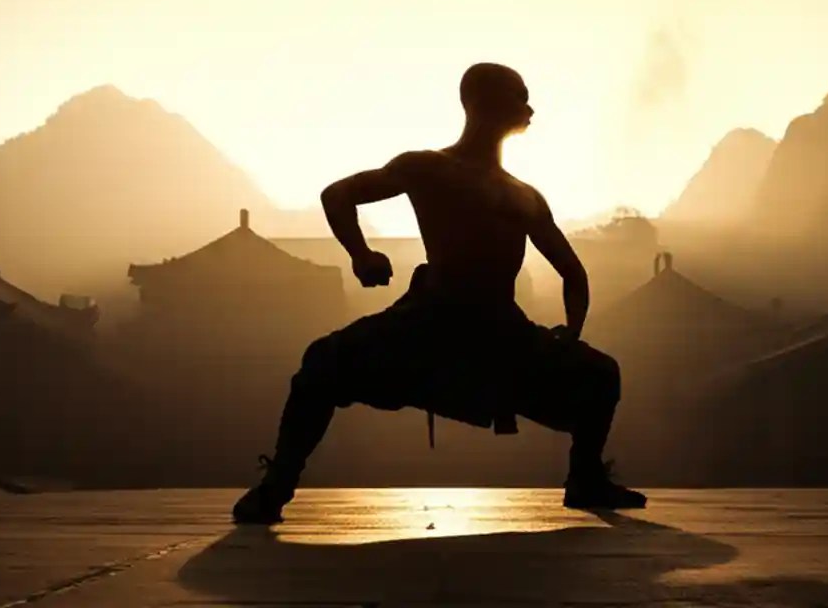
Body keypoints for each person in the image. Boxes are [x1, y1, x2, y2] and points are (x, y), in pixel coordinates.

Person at [232, 63, 647, 524]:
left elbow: (572, 273)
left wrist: (572, 330)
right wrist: (361, 254)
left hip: (500, 334)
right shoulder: (427, 167)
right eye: (519, 96)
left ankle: (585, 477)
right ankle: (277, 484)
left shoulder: (524, 196)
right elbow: (338, 195)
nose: (529, 108)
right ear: (482, 102)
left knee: (601, 374)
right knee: (321, 363)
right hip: (428, 322)